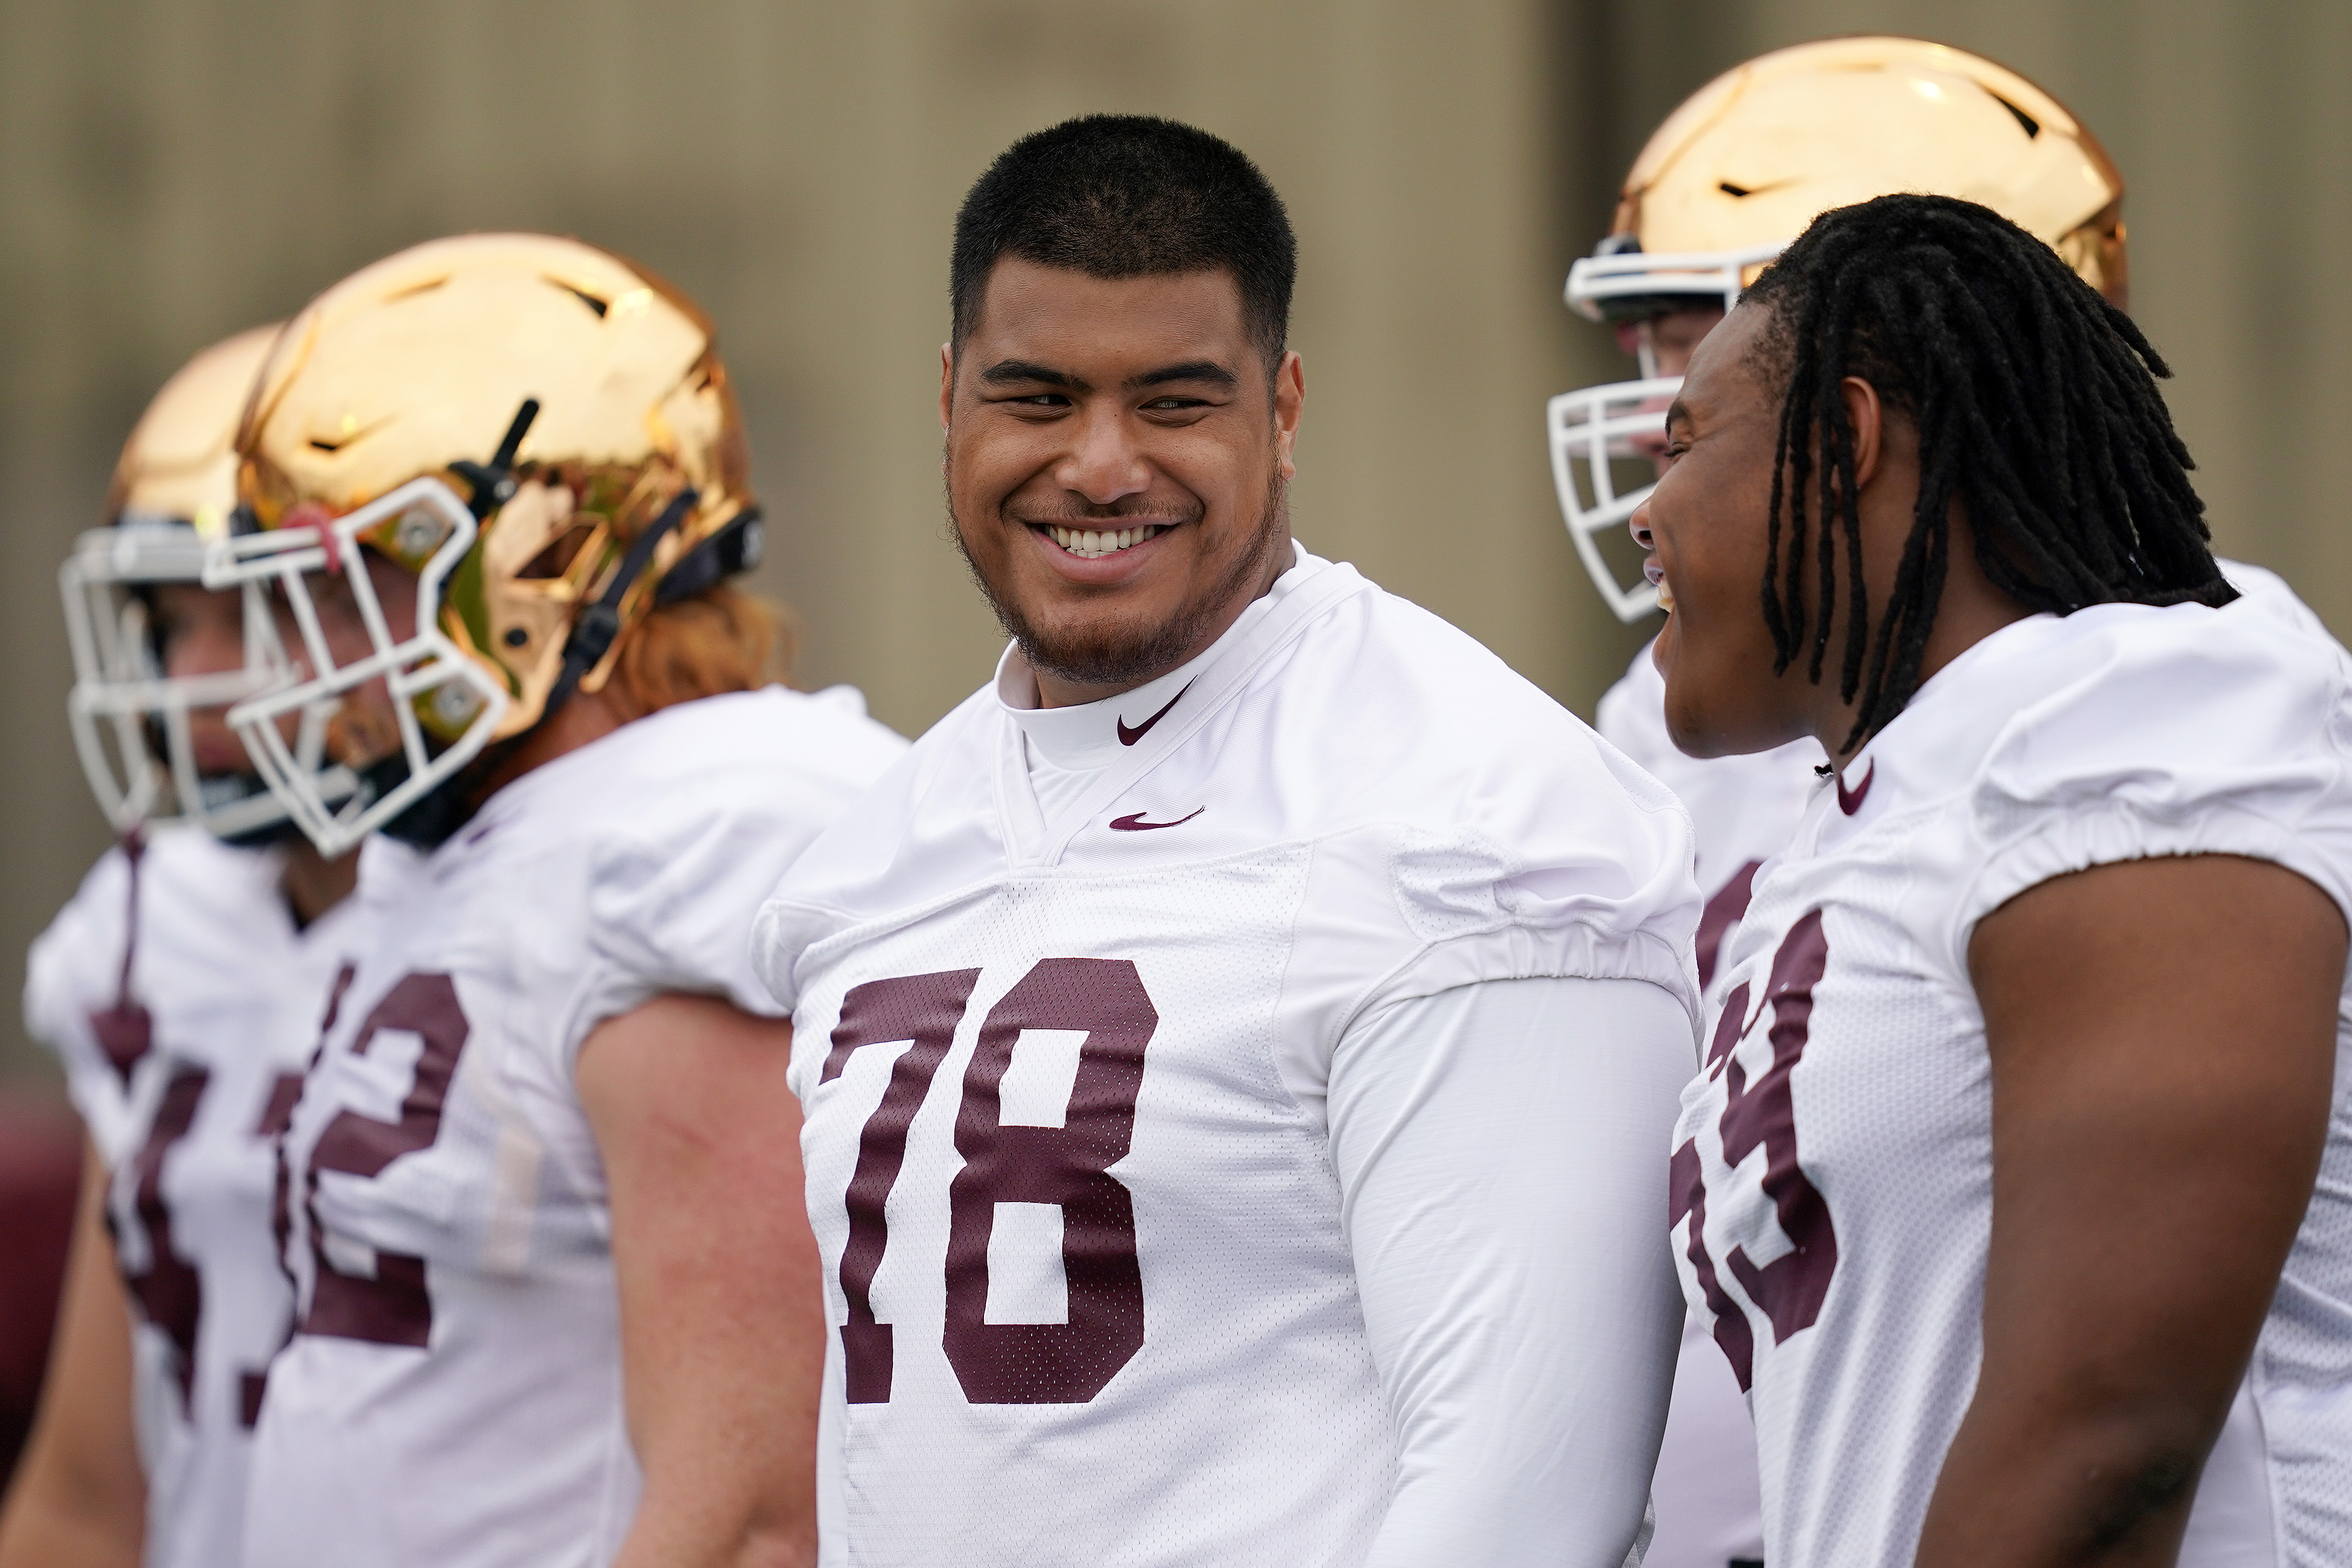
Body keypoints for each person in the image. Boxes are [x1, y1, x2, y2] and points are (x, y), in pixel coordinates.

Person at [752, 114, 1701, 1568]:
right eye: (1039, 396)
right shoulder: (879, 842)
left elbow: (1529, 1492)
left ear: (1287, 410)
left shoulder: (1470, 809)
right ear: (949, 401)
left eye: (1177, 402)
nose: (1102, 464)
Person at [1550, 40, 2338, 1567]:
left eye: (1692, 386)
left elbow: (2108, 1425)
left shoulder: (2151, 697)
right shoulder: (1850, 784)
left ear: (1861, 406)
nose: (1642, 477)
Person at [203, 235, 907, 1568]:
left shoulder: (687, 843)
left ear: (551, 563)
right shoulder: (468, 844)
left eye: (370, 588)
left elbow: (755, 1518)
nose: (302, 664)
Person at [0, 325, 362, 1568]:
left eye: (255, 614)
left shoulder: (558, 901)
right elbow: (89, 1484)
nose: (198, 681)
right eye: (171, 620)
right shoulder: (159, 921)